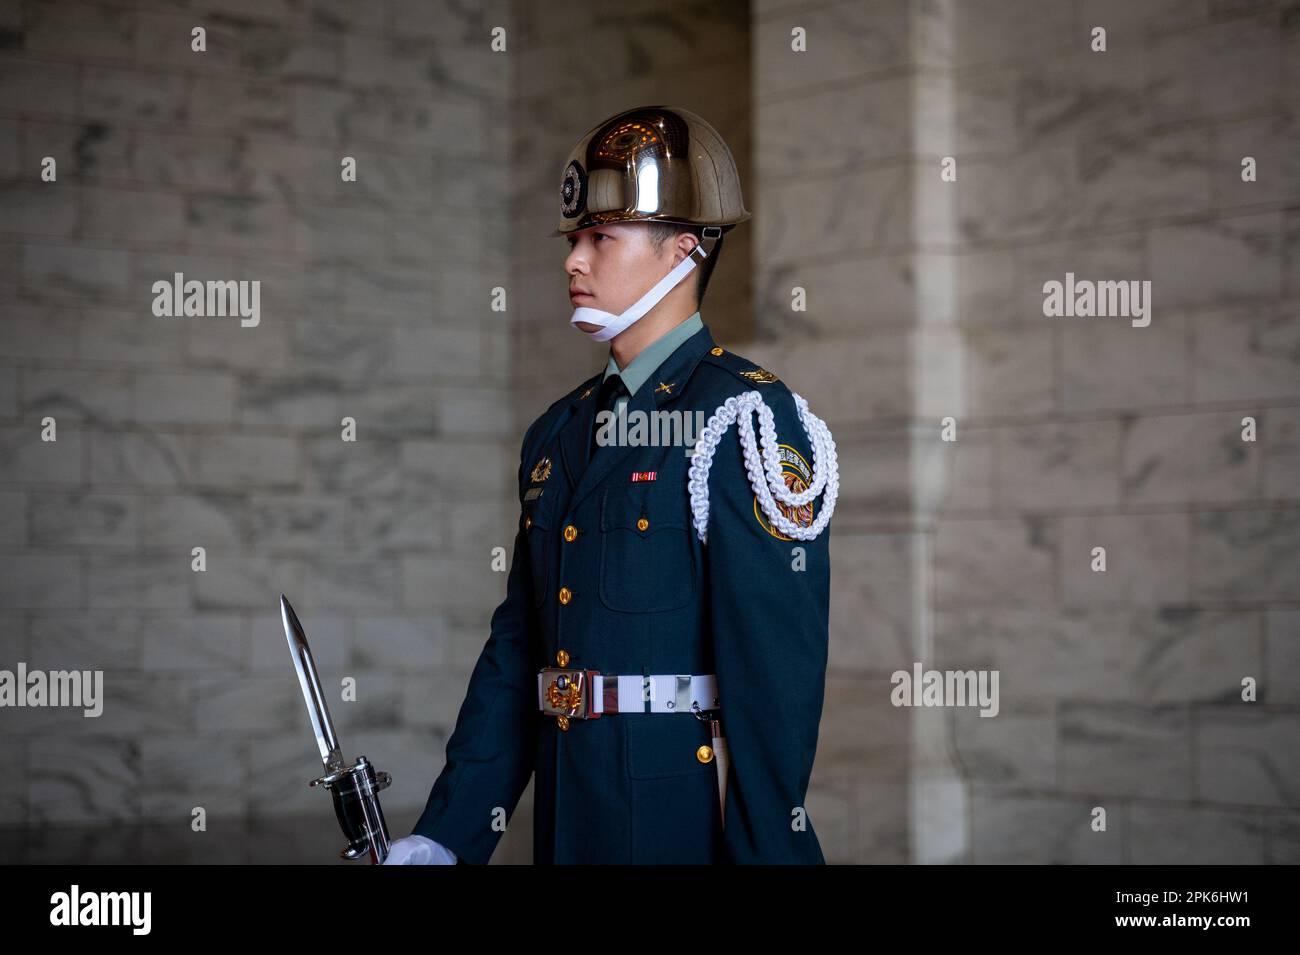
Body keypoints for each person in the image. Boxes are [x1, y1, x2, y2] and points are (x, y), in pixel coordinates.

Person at [384, 106, 839, 865]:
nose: (574, 261)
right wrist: (445, 837)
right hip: (569, 820)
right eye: (573, 239)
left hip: (676, 823)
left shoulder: (744, 421)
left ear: (682, 252)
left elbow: (774, 686)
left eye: (602, 238)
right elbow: (517, 652)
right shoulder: (556, 434)